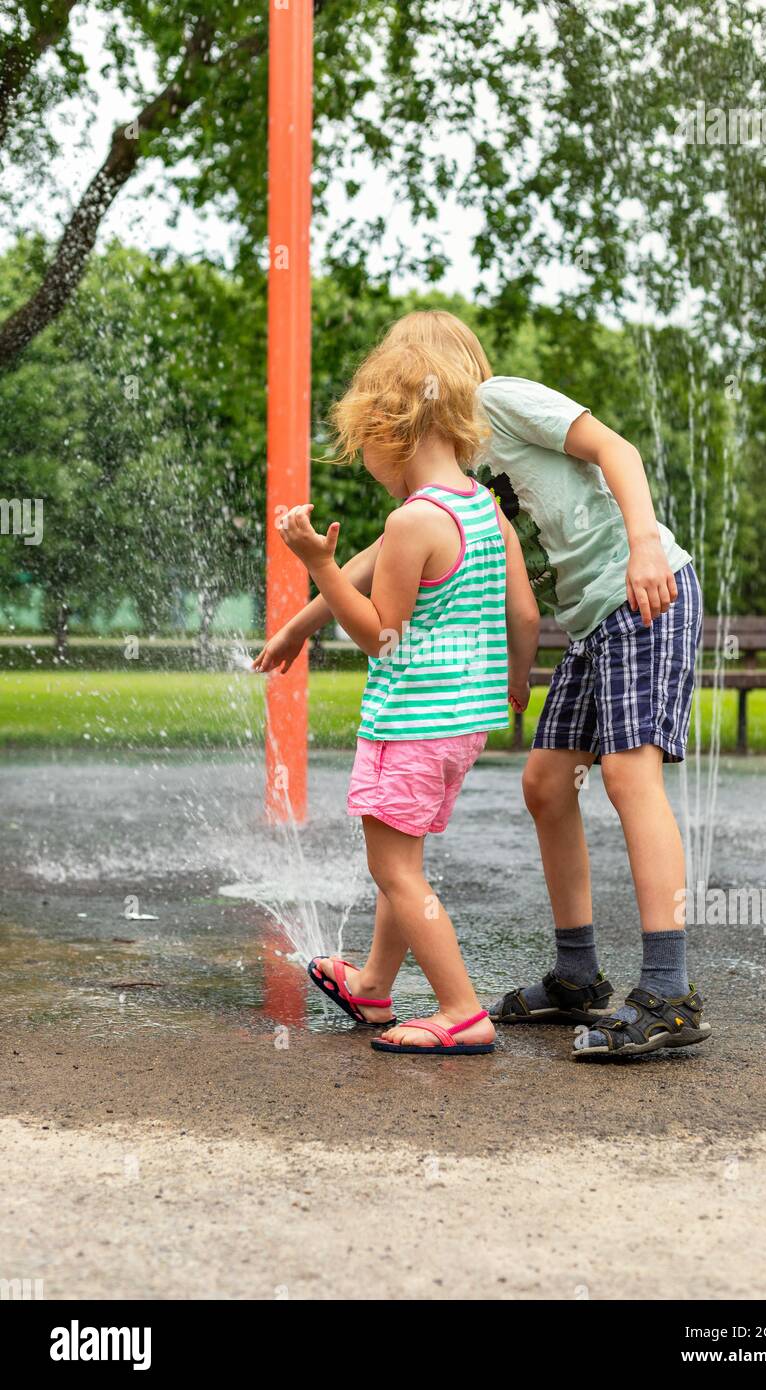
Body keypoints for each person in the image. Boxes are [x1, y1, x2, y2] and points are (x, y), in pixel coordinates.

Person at [258, 309, 710, 1060]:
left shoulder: (501, 399)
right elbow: (386, 547)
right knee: (544, 782)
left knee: (633, 779)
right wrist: (303, 623)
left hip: (644, 591)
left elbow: (615, 449)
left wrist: (642, 547)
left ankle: (669, 990)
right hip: (594, 616)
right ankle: (576, 974)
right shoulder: (463, 457)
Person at [255, 326, 538, 1055]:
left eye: (367, 446)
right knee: (402, 860)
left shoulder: (412, 520)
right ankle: (373, 985)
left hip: (410, 723)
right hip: (460, 725)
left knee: (393, 868)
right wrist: (512, 692)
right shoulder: (482, 507)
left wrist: (316, 565)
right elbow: (526, 614)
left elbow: (381, 633)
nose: (368, 463)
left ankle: (461, 1011)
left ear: (394, 430)